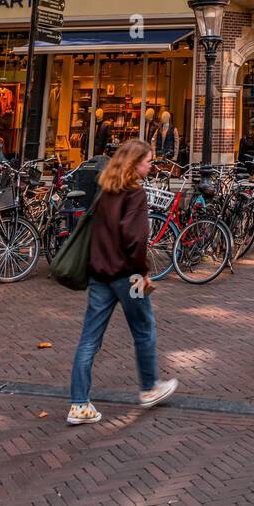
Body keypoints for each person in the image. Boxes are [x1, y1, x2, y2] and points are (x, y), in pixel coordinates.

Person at [67, 139, 178, 425]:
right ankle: (149, 388)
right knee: (144, 329)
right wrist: (143, 272)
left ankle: (79, 404)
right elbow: (136, 240)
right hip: (129, 276)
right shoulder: (135, 194)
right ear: (134, 163)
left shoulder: (105, 190)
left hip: (99, 273)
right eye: (148, 161)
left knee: (90, 338)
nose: (151, 166)